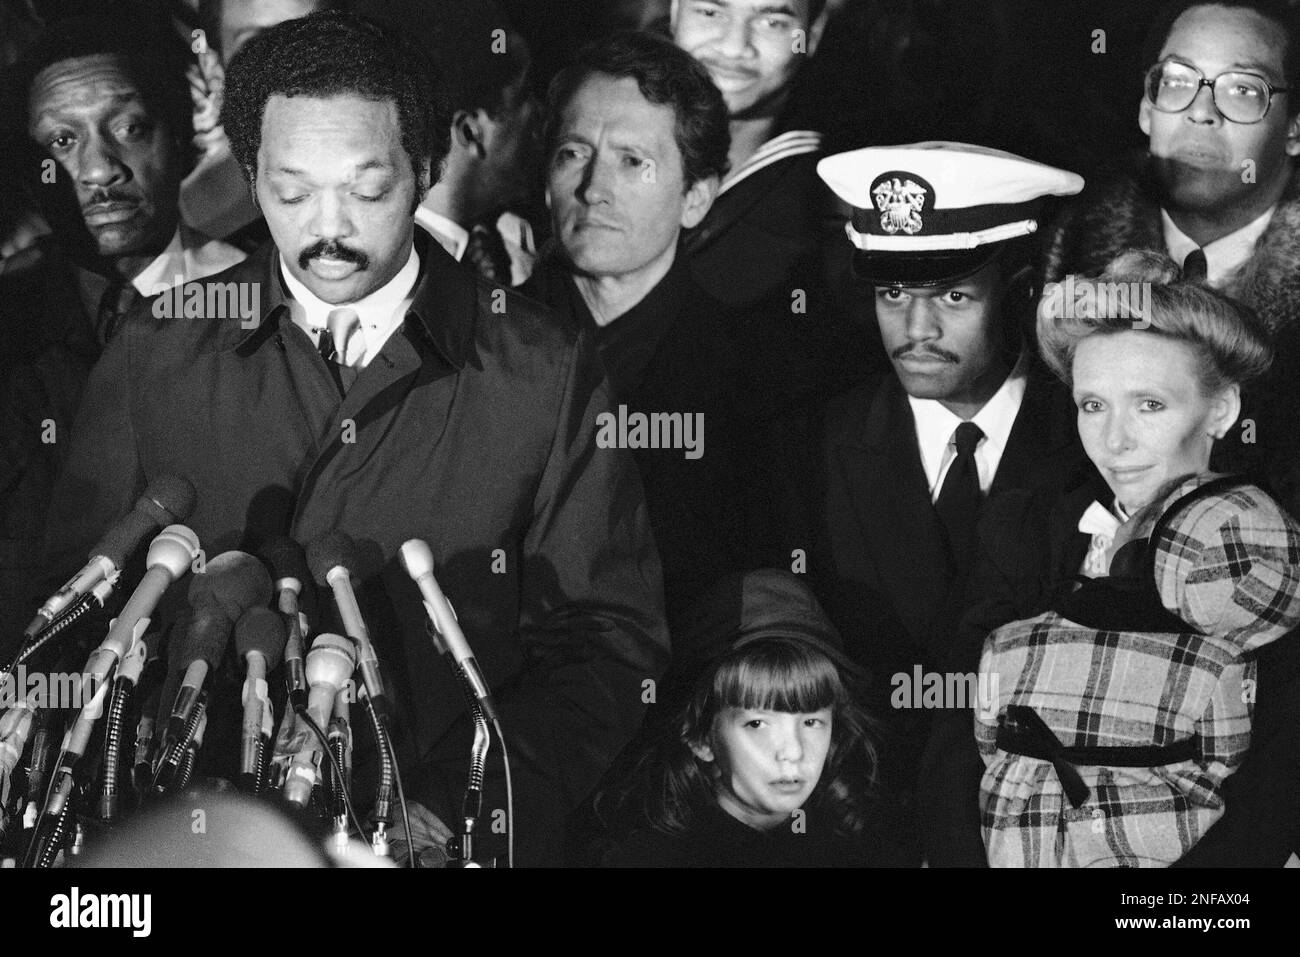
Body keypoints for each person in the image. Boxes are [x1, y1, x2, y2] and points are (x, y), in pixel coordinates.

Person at [38, 11, 670, 868]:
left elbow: (606, 645)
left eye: (366, 191)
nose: (327, 229)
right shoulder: (160, 348)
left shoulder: (542, 369)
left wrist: (455, 804)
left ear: (425, 168)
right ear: (248, 177)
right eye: (291, 192)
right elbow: (72, 609)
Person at [786, 142, 1094, 861]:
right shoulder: (812, 445)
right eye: (893, 294)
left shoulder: (1093, 441)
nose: (915, 329)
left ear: (1021, 290)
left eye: (953, 296)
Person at [974, 250, 1300, 866]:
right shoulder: (1025, 525)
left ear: (1221, 410)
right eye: (1093, 405)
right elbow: (956, 746)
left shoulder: (1264, 551)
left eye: (1150, 405)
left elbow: (1278, 784)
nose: (1115, 440)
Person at [1, 10, 243, 632]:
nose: (100, 169)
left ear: (183, 127)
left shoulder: (263, 300)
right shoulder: (14, 325)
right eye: (62, 141)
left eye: (130, 127)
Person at [523, 31, 751, 644]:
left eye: (632, 161)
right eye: (573, 153)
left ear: (697, 197)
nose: (593, 187)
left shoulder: (755, 377)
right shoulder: (479, 347)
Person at [1042, 0, 1300, 517]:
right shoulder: (1064, 251)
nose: (1201, 112)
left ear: (1294, 129)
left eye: (1243, 89)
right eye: (1178, 81)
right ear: (1146, 107)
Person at [574, 569, 906, 867]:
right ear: (701, 737)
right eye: (758, 724)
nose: (792, 751)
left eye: (811, 722)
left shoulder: (860, 842)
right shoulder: (648, 856)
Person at [355, 0, 543, 286]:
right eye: (524, 96)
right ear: (469, 132)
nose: (540, 114)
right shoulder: (379, 272)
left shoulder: (516, 243)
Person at [669, 0, 831, 309]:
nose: (733, 47)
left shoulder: (828, 205)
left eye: (773, 23)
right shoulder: (590, 145)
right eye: (709, 12)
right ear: (676, 11)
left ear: (812, 33)